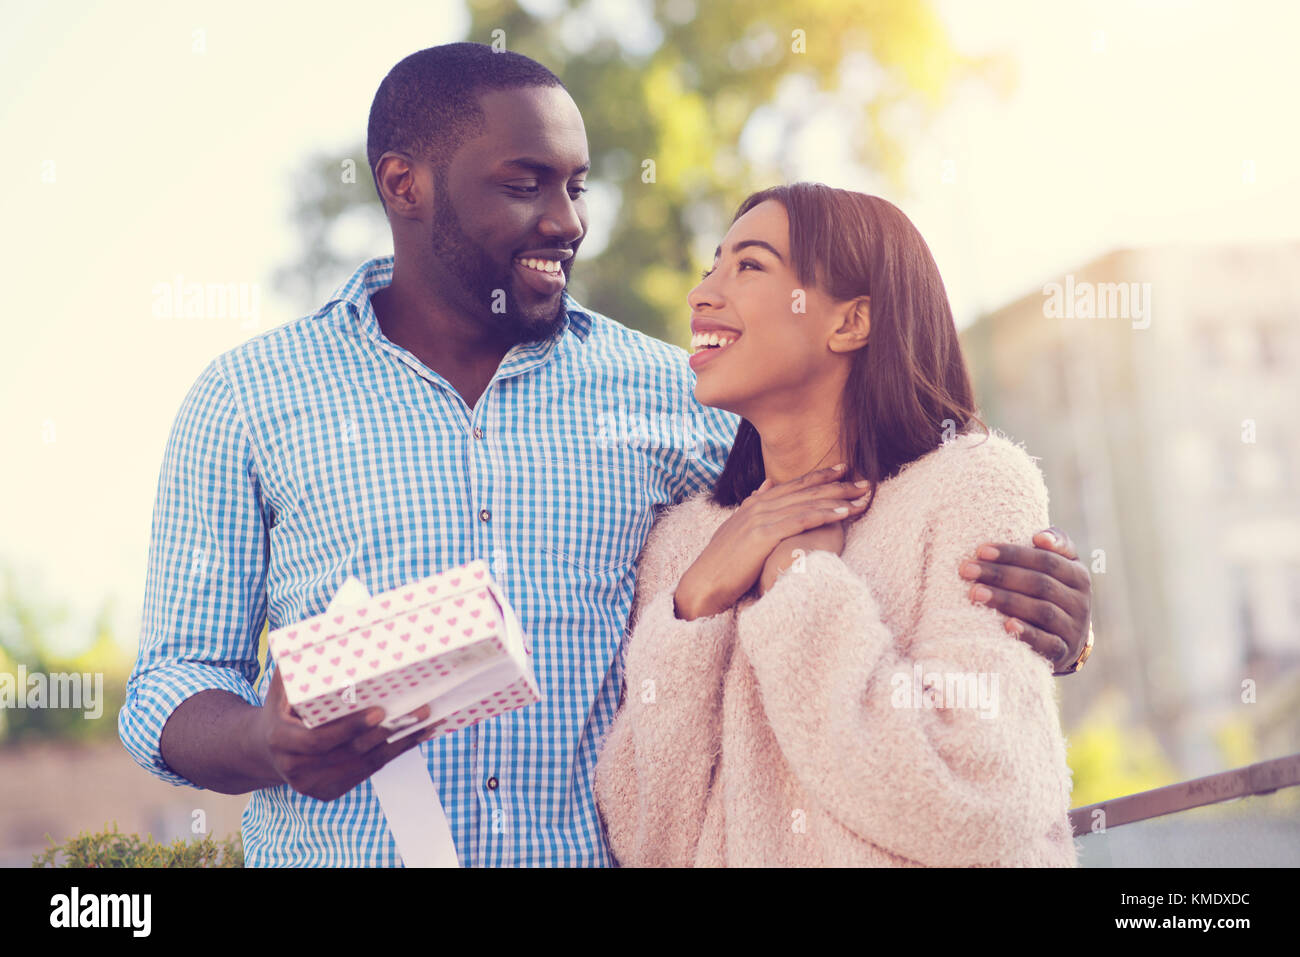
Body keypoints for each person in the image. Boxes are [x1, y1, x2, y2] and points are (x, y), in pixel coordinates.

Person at [119, 43, 1092, 867]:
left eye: (576, 185)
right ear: (402, 185)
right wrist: (264, 740)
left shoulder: (680, 393)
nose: (569, 222)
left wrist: (1039, 623)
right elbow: (168, 680)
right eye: (523, 184)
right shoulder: (248, 399)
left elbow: (865, 502)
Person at [593, 184, 1084, 866]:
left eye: (750, 265)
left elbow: (977, 801)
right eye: (713, 265)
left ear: (851, 322)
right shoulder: (687, 544)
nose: (701, 293)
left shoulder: (969, 486)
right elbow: (651, 840)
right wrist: (693, 602)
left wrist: (801, 585)